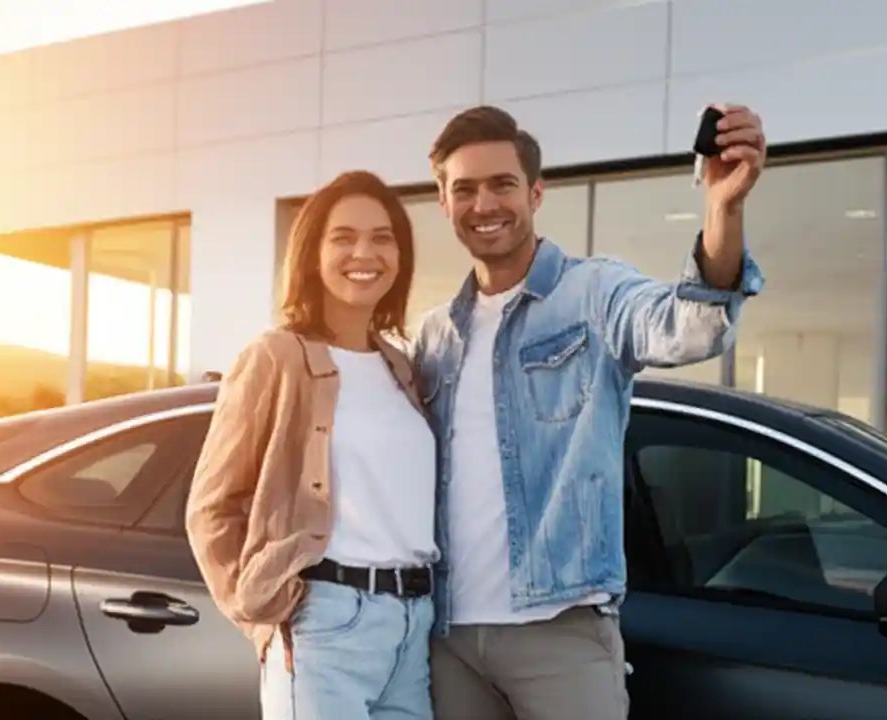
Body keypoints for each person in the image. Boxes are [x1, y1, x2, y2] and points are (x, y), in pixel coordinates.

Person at [409, 104, 767, 719]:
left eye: (503, 184)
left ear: (536, 192)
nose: (484, 204)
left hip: (561, 630)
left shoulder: (593, 293)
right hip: (448, 637)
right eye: (464, 189)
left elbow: (691, 328)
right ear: (443, 202)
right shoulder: (434, 336)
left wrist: (723, 209)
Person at [186, 170, 439, 720]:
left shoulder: (402, 367)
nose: (364, 252)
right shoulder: (275, 357)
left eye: (382, 237)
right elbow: (211, 508)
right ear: (312, 254)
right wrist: (261, 621)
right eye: (343, 237)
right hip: (326, 623)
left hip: (412, 627)